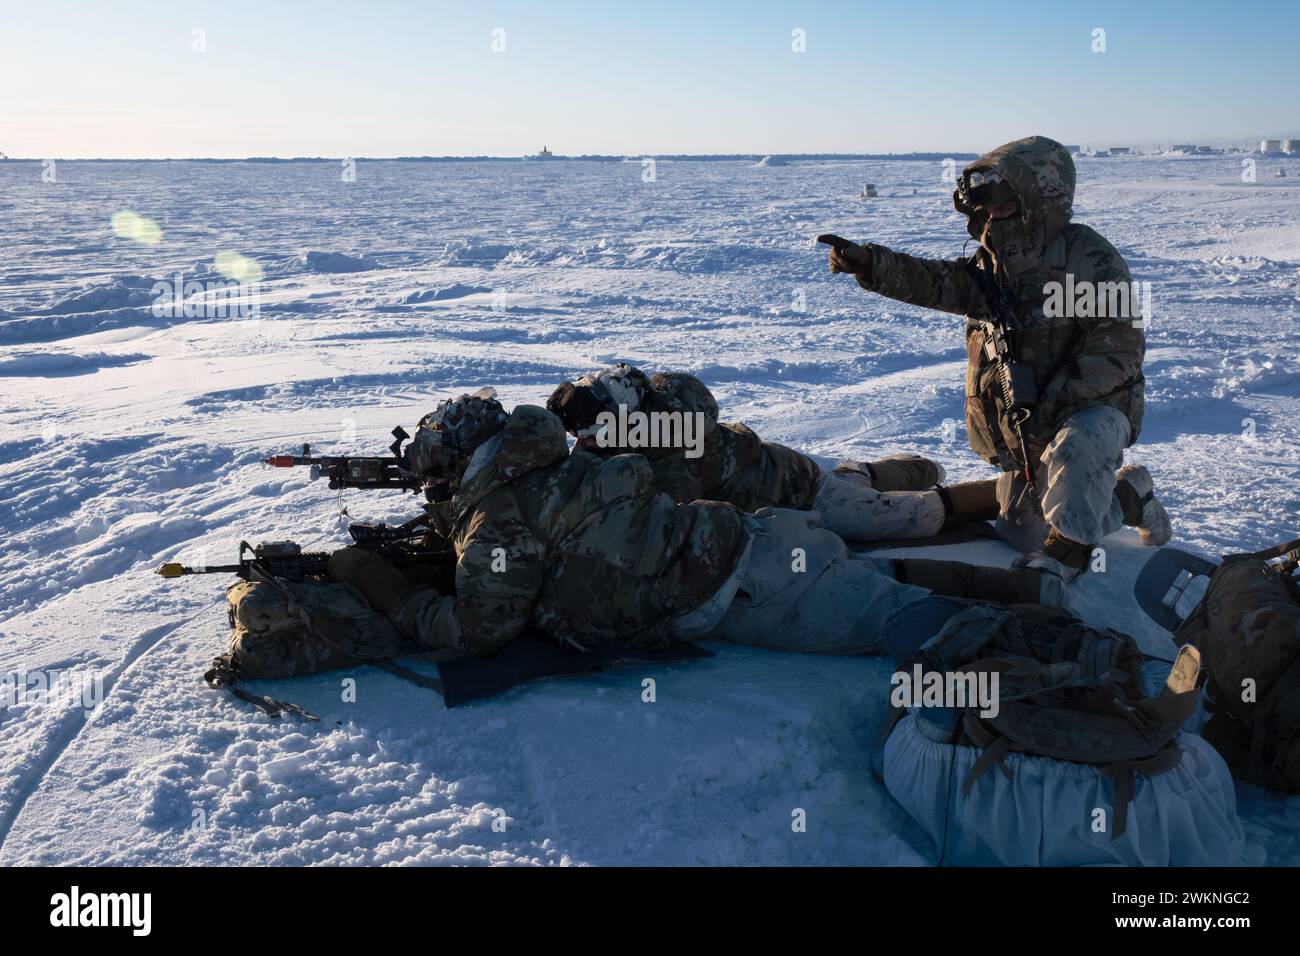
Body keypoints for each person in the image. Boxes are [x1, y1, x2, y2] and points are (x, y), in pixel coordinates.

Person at [327, 392, 1063, 662]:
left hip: (750, 584)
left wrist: (389, 589)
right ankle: (1025, 592)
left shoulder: (499, 521)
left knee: (910, 629)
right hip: (762, 540)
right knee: (875, 577)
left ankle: (1077, 637)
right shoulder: (548, 466)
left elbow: (478, 630)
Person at [827, 135, 1170, 582]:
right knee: (1025, 531)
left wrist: (1055, 406)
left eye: (1006, 200)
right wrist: (871, 264)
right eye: (989, 204)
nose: (994, 211)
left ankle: (1060, 567)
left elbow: (1116, 351)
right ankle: (1130, 497)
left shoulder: (1087, 259)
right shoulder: (993, 263)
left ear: (1040, 197)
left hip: (1090, 412)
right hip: (1024, 421)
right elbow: (940, 283)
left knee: (1076, 454)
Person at [546, 363, 999, 543]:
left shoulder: (671, 455)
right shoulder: (668, 410)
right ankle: (918, 466)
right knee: (853, 477)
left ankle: (1004, 492)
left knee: (906, 517)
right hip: (786, 468)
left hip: (798, 492)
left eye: (595, 432)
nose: (583, 443)